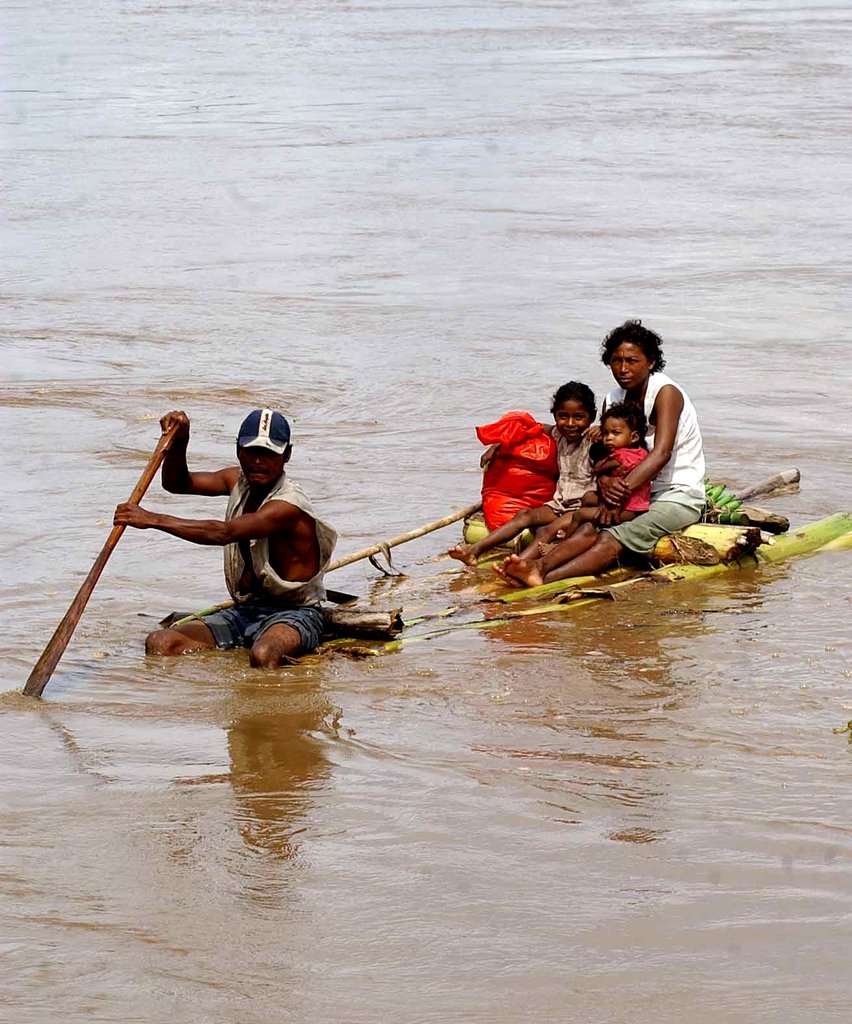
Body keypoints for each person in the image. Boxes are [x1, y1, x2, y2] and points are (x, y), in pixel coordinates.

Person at [113, 408, 337, 669]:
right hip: (246, 609)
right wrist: (180, 441)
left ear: (286, 455)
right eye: (251, 452)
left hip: (295, 613)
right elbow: (177, 483)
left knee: (263, 655)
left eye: (269, 453)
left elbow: (224, 532)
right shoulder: (237, 480)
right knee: (160, 643)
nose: (258, 461)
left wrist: (152, 519)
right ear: (238, 450)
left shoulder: (288, 506)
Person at [498, 320, 705, 588]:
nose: (623, 368)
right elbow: (603, 456)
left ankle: (544, 575)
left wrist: (620, 490)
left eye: (632, 360)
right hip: (634, 494)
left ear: (651, 362)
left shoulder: (665, 393)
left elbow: (662, 453)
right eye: (616, 361)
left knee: (611, 536)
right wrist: (606, 483)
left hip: (676, 494)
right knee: (587, 525)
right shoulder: (614, 398)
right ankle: (536, 566)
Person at [447, 381, 596, 566]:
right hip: (559, 505)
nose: (570, 423)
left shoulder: (594, 442)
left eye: (579, 417)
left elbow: (620, 438)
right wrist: (497, 446)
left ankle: (519, 565)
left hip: (581, 509)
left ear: (592, 417)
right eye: (563, 416)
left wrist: (601, 429)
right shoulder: (559, 435)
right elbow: (531, 427)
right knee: (524, 516)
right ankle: (474, 551)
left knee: (546, 531)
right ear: (555, 416)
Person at [529, 401, 651, 551]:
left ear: (634, 437)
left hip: (627, 510)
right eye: (605, 433)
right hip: (633, 505)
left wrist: (599, 454)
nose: (608, 438)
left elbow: (597, 468)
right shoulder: (642, 453)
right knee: (588, 497)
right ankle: (573, 532)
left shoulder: (621, 456)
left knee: (579, 514)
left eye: (615, 433)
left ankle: (560, 546)